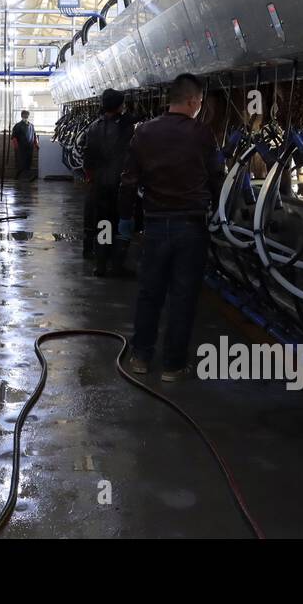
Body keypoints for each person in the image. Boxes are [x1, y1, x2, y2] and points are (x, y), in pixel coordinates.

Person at [118, 73, 224, 382]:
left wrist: (126, 219)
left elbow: (128, 182)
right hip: (191, 226)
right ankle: (173, 365)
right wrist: (220, 211)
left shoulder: (144, 133)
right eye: (200, 103)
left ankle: (140, 356)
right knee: (183, 296)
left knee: (150, 292)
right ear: (193, 101)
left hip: (154, 224)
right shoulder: (203, 134)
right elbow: (216, 178)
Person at [81, 89, 135, 277]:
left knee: (103, 224)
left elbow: (88, 157)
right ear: (119, 106)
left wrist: (91, 178)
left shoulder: (94, 127)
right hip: (121, 184)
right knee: (122, 224)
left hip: (100, 184)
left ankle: (100, 265)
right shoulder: (126, 126)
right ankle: (117, 265)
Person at [10, 110, 38, 179]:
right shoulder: (18, 126)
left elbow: (34, 135)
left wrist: (36, 144)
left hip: (29, 147)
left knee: (28, 162)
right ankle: (20, 176)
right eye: (24, 115)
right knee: (21, 162)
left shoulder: (31, 126)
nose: (26, 116)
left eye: (27, 115)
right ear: (21, 116)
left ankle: (26, 176)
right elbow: (14, 137)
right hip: (21, 147)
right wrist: (16, 146)